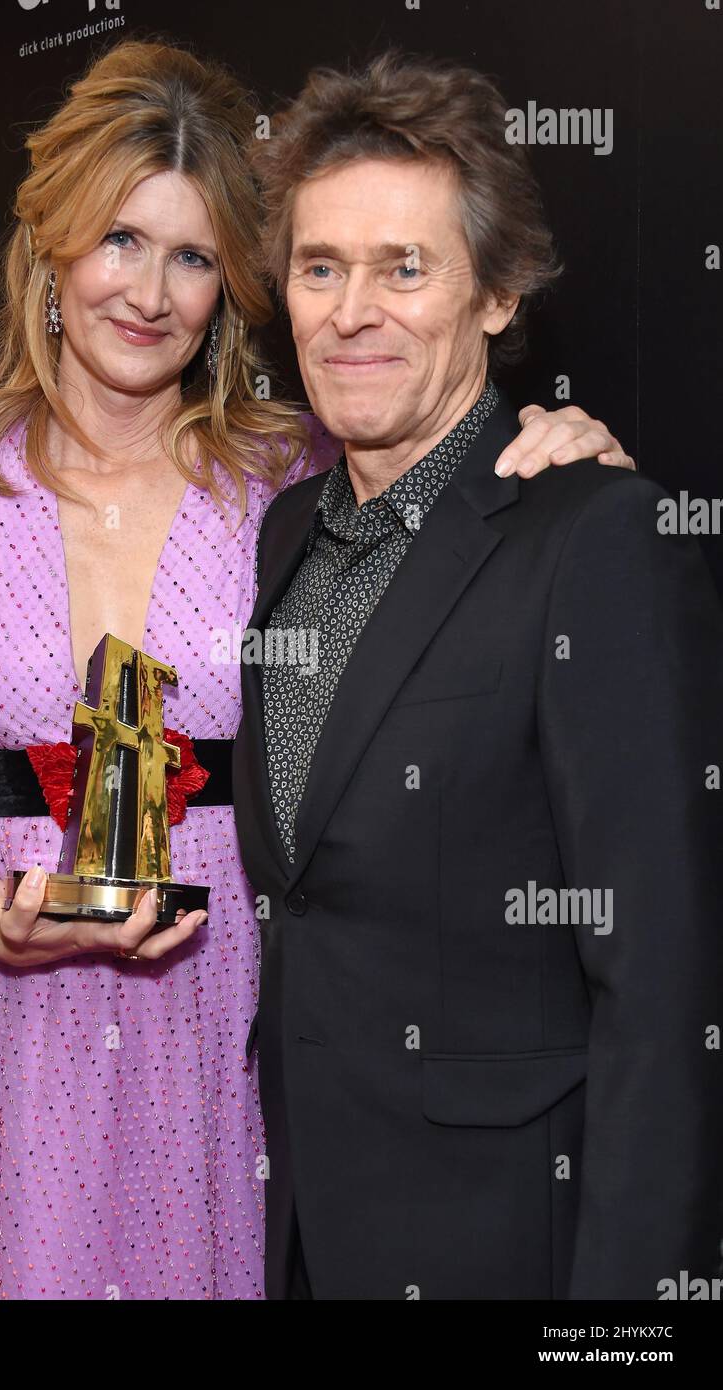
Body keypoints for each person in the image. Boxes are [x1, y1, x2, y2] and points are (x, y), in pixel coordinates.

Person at [0, 39, 631, 1301]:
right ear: (49, 243)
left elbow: (459, 527)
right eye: (120, 240)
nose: (150, 292)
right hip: (19, 1046)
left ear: (231, 286)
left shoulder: (296, 475)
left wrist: (555, 453)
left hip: (241, 1036)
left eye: (195, 255)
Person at [234, 51, 723, 1300]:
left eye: (407, 268)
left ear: (497, 295)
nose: (352, 312)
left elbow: (660, 991)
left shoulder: (596, 539)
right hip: (308, 1236)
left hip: (509, 1248)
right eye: (320, 267)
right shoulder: (287, 535)